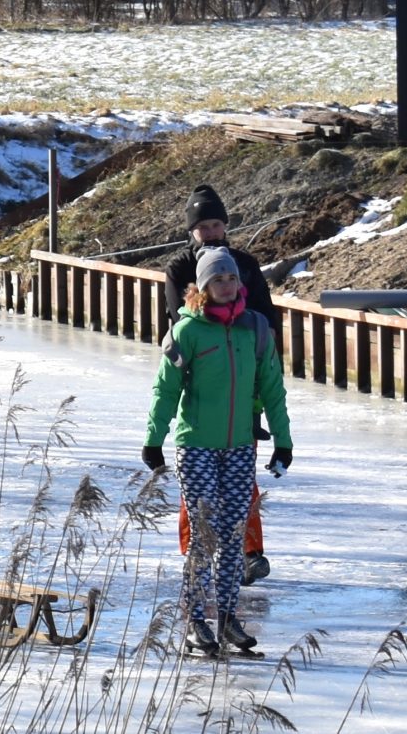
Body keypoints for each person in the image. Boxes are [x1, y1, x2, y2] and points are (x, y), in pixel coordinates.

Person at [143, 247, 294, 655]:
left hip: (240, 446)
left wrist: (283, 440)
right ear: (203, 287)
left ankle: (226, 619)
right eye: (217, 281)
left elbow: (273, 389)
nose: (226, 286)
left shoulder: (257, 329)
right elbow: (166, 389)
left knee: (232, 536)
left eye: (231, 280)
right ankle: (195, 621)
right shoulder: (187, 331)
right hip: (196, 446)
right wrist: (154, 439)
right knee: (205, 535)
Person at [162, 184, 278, 584]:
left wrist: (260, 387)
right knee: (196, 487)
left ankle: (248, 551)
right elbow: (179, 320)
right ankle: (197, 548)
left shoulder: (244, 263)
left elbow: (266, 319)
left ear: (226, 224)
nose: (210, 232)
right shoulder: (179, 267)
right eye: (202, 226)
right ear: (191, 231)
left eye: (216, 224)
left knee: (242, 480)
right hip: (201, 384)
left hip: (243, 381)